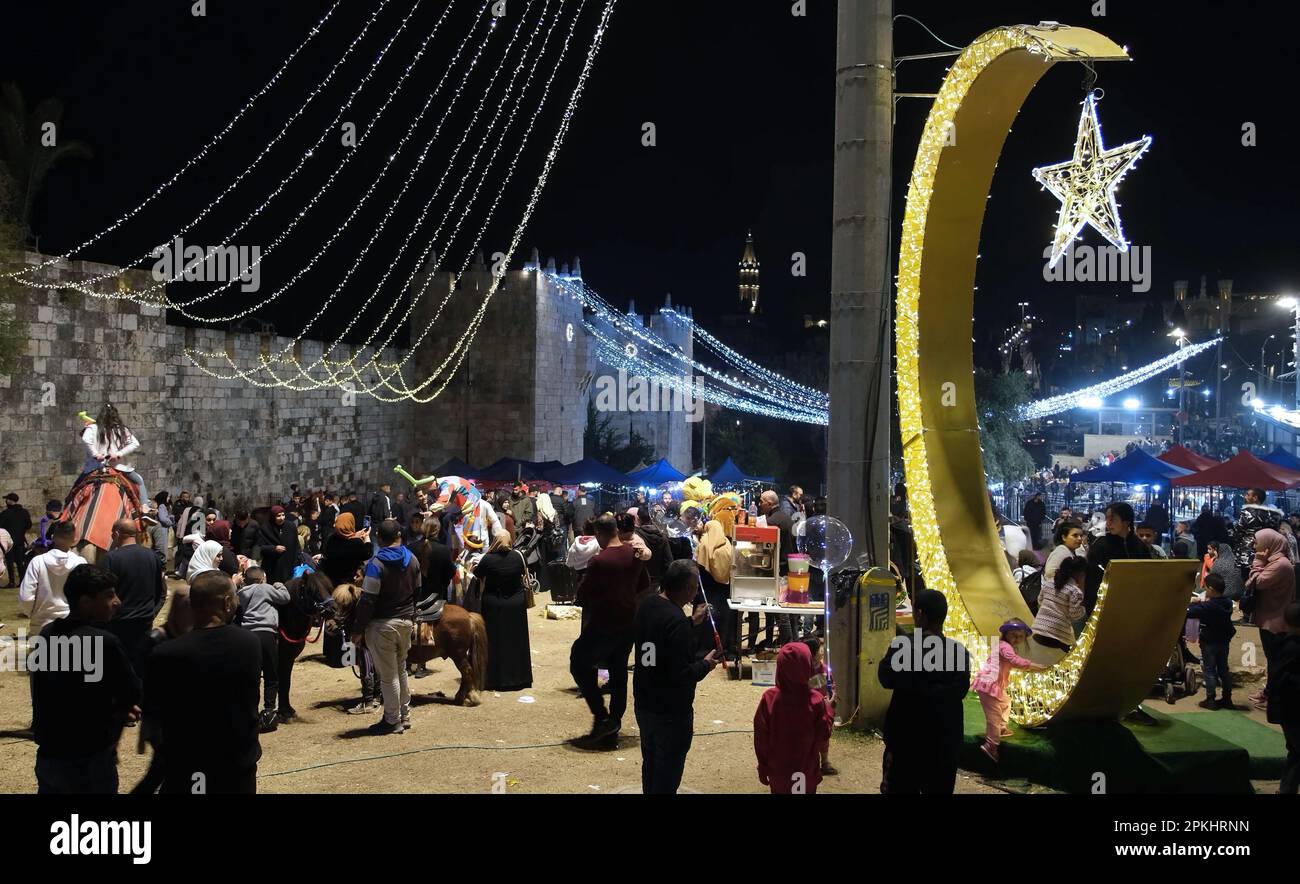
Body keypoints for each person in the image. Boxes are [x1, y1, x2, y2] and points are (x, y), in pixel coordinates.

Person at [144, 570, 263, 794]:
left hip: (185, 765)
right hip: (236, 764)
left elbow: (155, 717)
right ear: (227, 602)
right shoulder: (249, 643)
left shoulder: (167, 653)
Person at [30, 564, 141, 794]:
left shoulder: (47, 634)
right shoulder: (105, 643)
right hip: (90, 757)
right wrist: (121, 707)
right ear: (85, 602)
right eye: (109, 596)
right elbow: (132, 692)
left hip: (51, 754)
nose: (117, 601)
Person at [633, 560, 719, 794]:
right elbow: (682, 674)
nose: (694, 594)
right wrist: (706, 664)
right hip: (670, 711)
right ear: (683, 588)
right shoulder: (675, 620)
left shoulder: (648, 605)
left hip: (644, 702)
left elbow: (659, 644)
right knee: (667, 773)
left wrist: (691, 622)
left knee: (650, 763)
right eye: (693, 587)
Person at [877, 590, 971, 794]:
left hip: (905, 742)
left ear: (920, 614)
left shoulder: (903, 647)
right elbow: (960, 690)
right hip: (944, 743)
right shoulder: (958, 651)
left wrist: (914, 685)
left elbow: (885, 678)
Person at [570, 514, 647, 748]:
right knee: (619, 672)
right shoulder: (633, 554)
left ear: (600, 534)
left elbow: (582, 596)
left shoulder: (599, 561)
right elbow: (643, 585)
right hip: (628, 622)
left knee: (579, 662)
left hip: (604, 622)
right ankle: (614, 723)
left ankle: (602, 717)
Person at [352, 519, 419, 735]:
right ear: (399, 536)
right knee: (400, 669)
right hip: (406, 621)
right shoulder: (413, 560)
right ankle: (404, 715)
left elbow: (368, 599)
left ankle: (392, 720)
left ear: (379, 538)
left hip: (382, 624)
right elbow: (418, 592)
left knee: (388, 676)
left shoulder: (375, 565)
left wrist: (358, 628)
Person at [753, 641, 833, 794]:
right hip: (806, 771)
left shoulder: (769, 698)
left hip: (779, 773)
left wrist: (763, 767)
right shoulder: (816, 700)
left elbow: (761, 737)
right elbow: (824, 733)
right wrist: (829, 708)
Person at [973, 619, 1047, 762]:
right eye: (1013, 635)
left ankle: (1001, 727)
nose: (1017, 639)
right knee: (993, 716)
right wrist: (1033, 665)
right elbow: (1014, 660)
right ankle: (991, 745)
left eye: (1020, 636)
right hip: (989, 685)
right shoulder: (1004, 646)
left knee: (1006, 701)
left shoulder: (1004, 646)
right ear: (1006, 634)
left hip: (993, 685)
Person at [471, 531, 532, 692]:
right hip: (516, 605)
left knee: (494, 641)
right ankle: (519, 678)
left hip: (493, 605)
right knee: (516, 641)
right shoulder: (518, 557)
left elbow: (477, 574)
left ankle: (494, 679)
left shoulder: (488, 559)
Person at [1246, 528, 1297, 713]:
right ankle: (1269, 692)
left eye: (1257, 542)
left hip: (1276, 621)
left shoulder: (1280, 565)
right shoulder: (1274, 562)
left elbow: (1256, 582)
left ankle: (1274, 697)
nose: (1255, 546)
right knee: (1272, 659)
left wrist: (1258, 561)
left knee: (1276, 661)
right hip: (1269, 618)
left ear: (1269, 543)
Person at [235, 565, 291, 732]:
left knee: (252, 675)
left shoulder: (241, 593)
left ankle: (250, 711)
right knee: (271, 674)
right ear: (262, 578)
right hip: (266, 633)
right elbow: (285, 597)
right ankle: (268, 711)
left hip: (248, 635)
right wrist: (279, 585)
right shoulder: (265, 588)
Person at [101, 518, 167, 655]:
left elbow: (102, 594)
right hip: (145, 621)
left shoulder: (110, 559)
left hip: (118, 624)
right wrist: (152, 612)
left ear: (117, 534)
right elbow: (161, 590)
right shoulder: (153, 556)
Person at [18, 520, 87, 634]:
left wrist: (33, 614)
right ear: (74, 540)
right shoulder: (80, 563)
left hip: (41, 626)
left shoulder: (38, 562)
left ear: (52, 537)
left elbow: (25, 597)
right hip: (71, 626)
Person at [1084, 502, 1151, 617]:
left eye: (1113, 519)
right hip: (1106, 607)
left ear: (1126, 521)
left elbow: (1148, 575)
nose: (1108, 524)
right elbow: (1092, 580)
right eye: (1107, 519)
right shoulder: (1100, 545)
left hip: (1135, 607)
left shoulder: (1139, 545)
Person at [79, 404, 150, 513]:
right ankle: (145, 507)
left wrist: (96, 454)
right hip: (118, 466)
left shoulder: (93, 427)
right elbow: (135, 443)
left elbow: (85, 439)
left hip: (95, 466)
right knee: (139, 481)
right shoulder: (121, 429)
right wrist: (118, 454)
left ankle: (66, 510)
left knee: (76, 487)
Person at [1187, 572, 1236, 710]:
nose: (1204, 590)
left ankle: (1211, 699)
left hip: (1209, 641)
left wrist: (1192, 602)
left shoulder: (1208, 607)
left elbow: (1190, 612)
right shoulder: (1227, 602)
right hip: (1224, 640)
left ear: (1212, 590)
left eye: (1206, 588)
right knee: (1223, 670)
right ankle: (1227, 698)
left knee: (1209, 670)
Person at [1267, 602, 1300, 793]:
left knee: (1296, 752)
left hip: (1287, 709)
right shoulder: (1291, 649)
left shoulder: (1281, 645)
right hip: (1291, 709)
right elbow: (1285, 682)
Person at [694, 519, 737, 661]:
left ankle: (705, 649)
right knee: (725, 620)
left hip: (708, 589)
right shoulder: (727, 545)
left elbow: (700, 565)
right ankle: (724, 648)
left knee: (707, 620)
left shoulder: (705, 543)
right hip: (725, 588)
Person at [1034, 556, 1088, 651]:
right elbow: (1075, 615)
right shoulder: (1075, 591)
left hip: (1038, 630)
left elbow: (1040, 600)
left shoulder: (1049, 583)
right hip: (1058, 636)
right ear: (1080, 574)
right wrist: (1083, 609)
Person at [802, 636, 837, 776]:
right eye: (819, 648)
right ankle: (808, 762)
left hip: (824, 708)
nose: (822, 651)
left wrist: (832, 696)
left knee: (824, 736)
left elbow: (831, 685)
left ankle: (825, 762)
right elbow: (805, 688)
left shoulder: (825, 669)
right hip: (808, 709)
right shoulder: (803, 669)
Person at [1233, 487, 1284, 578]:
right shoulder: (1271, 514)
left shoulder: (1246, 513)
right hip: (1266, 552)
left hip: (1247, 553)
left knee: (1247, 579)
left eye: (1248, 495)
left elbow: (1238, 532)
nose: (1245, 497)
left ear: (1255, 498)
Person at [318, 512, 372, 586]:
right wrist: (367, 537)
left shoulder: (332, 539)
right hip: (348, 584)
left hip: (330, 581)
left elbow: (345, 537)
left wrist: (355, 535)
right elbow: (368, 553)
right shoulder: (356, 543)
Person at [255, 505, 300, 584]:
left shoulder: (291, 526)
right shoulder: (265, 528)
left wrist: (296, 563)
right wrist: (274, 549)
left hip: (288, 566)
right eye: (278, 516)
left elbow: (296, 546)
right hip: (272, 567)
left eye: (283, 515)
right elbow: (261, 547)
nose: (282, 518)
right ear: (273, 517)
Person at [0, 492, 32, 588]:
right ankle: (22, 581)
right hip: (20, 540)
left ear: (9, 501)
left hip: (9, 541)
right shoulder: (24, 512)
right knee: (19, 562)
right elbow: (29, 525)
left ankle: (12, 582)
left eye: (6, 499)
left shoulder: (5, 513)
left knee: (9, 562)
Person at [1043, 519, 1085, 585]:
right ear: (1064, 537)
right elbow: (1049, 574)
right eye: (1075, 535)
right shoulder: (1061, 552)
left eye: (1081, 536)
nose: (1079, 538)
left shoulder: (1071, 551)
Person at [149, 492, 174, 569]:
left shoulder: (158, 505)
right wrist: (170, 522)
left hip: (158, 528)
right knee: (161, 548)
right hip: (162, 529)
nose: (168, 499)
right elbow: (163, 518)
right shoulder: (162, 506)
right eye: (167, 497)